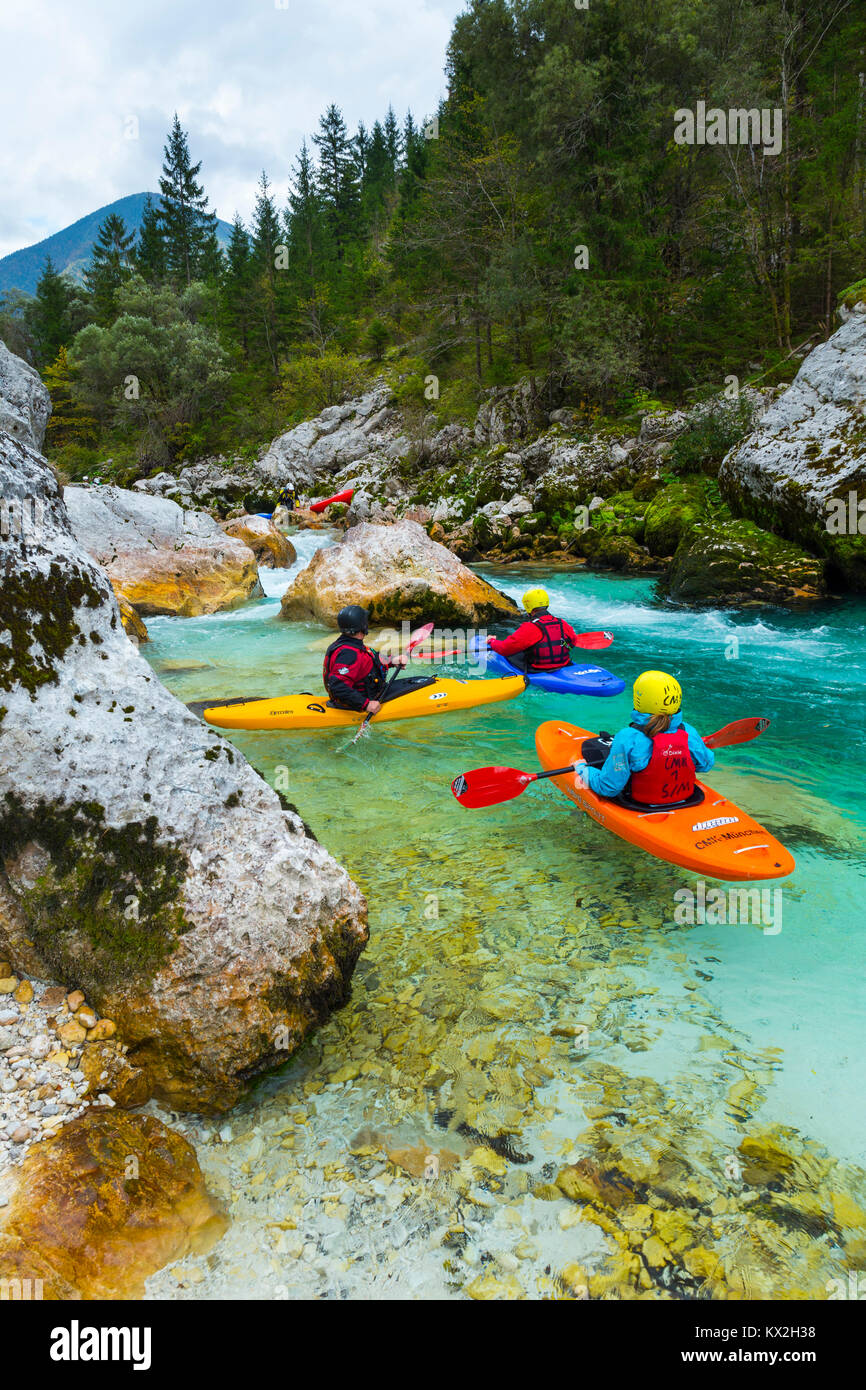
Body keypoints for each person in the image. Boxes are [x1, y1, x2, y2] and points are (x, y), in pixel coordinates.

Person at [575, 670, 714, 806]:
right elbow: (705, 765)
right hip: (685, 799)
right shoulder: (689, 731)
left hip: (643, 804)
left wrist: (583, 769)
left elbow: (609, 788)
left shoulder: (627, 737)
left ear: (639, 700)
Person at [322, 606, 433, 714]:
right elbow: (338, 687)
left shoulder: (344, 644)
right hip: (359, 703)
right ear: (362, 626)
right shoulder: (349, 654)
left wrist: (392, 660)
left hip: (367, 695)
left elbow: (370, 660)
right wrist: (366, 704)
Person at [486, 588, 579, 673]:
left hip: (538, 669)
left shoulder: (531, 627)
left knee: (513, 653)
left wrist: (492, 641)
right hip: (563, 664)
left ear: (528, 606)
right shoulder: (562, 622)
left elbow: (505, 649)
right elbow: (573, 641)